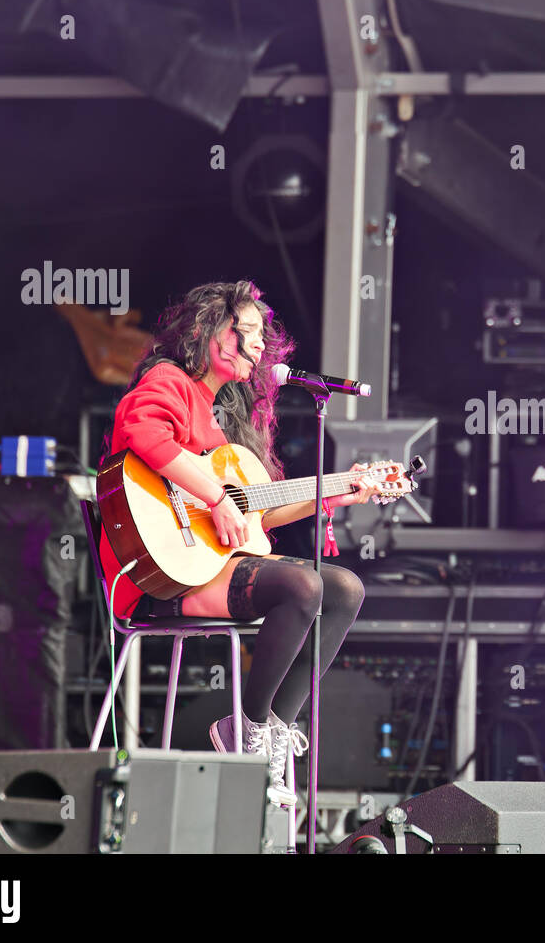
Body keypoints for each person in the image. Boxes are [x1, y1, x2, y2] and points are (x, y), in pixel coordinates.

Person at [96, 280, 379, 808]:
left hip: (214, 566)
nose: (257, 345)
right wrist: (216, 497)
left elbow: (260, 511)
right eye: (245, 332)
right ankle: (245, 730)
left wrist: (335, 495)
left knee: (343, 588)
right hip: (162, 577)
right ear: (208, 330)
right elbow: (143, 433)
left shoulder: (225, 418)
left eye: (259, 337)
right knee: (301, 585)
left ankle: (271, 730)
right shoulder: (170, 381)